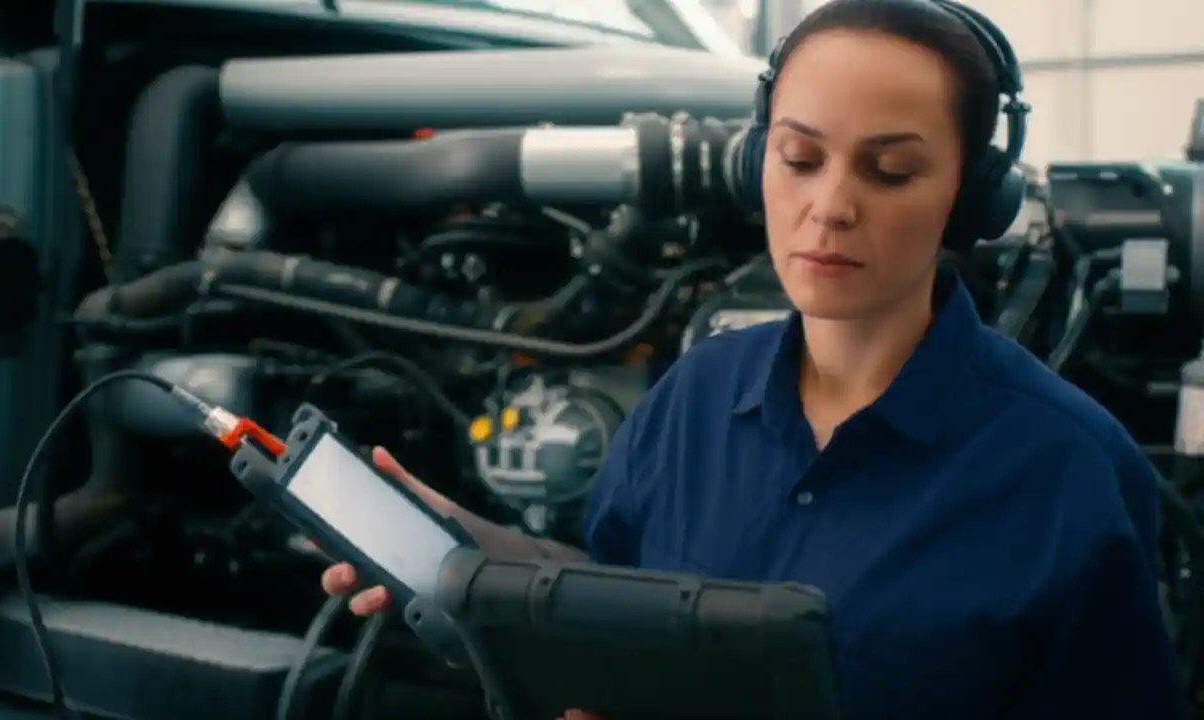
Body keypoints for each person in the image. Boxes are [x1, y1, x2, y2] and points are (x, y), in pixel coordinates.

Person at [323, 0, 1186, 717]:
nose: (830, 206)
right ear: (754, 163)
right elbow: (621, 598)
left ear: (971, 197)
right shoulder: (695, 395)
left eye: (888, 172)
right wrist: (468, 557)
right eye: (799, 159)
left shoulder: (1068, 466)